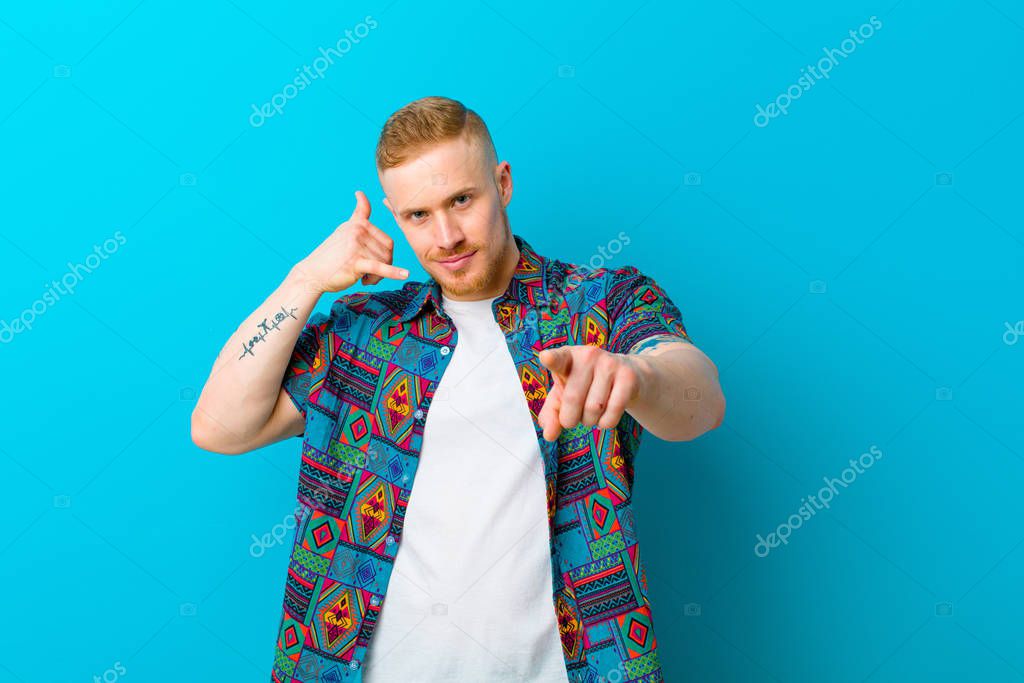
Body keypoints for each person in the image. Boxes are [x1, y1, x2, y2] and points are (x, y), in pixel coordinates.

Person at [191, 95, 725, 682]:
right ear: (395, 216)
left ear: (503, 183)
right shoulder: (362, 334)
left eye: (461, 200)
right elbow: (220, 428)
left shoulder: (601, 304)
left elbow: (699, 404)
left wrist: (639, 377)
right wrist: (306, 281)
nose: (445, 236)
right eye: (418, 215)